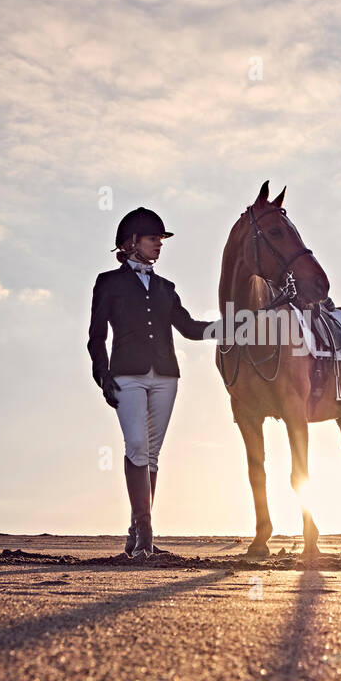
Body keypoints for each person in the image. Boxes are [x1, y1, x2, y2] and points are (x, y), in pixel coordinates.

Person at [87, 207, 214, 557]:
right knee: (137, 445)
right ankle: (146, 533)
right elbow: (96, 337)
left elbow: (188, 328)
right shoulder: (108, 283)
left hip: (166, 377)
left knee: (152, 455)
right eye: (152, 238)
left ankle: (136, 529)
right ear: (131, 243)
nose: (159, 244)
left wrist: (228, 327)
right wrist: (102, 375)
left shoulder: (166, 288)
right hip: (126, 375)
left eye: (161, 239)